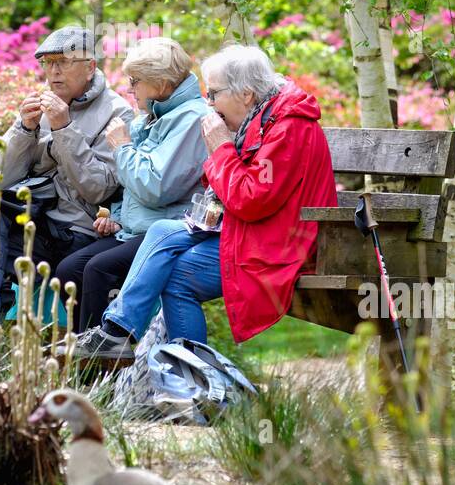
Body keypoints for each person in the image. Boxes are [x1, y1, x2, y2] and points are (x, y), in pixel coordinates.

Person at [73, 43, 338, 361]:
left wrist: (221, 147)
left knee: (179, 275)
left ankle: (185, 374)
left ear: (246, 94)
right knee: (161, 232)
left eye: (213, 94)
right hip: (248, 230)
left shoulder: (287, 129)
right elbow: (231, 191)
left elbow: (250, 199)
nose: (209, 104)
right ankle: (121, 335)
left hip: (277, 243)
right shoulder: (260, 120)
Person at [53, 37, 210, 332]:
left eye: (135, 81)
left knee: (100, 269)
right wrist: (117, 218)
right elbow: (138, 188)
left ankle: (100, 360)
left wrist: (123, 147)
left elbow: (157, 187)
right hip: (139, 228)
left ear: (160, 84)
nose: (129, 89)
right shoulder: (154, 116)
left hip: (172, 229)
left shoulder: (192, 119)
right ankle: (94, 361)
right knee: (68, 270)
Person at [0, 25, 134, 322]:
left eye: (63, 63)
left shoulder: (118, 113)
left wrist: (64, 128)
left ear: (90, 67)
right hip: (32, 222)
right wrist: (23, 130)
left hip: (76, 235)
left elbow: (97, 190)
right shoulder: (41, 102)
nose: (53, 72)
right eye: (48, 63)